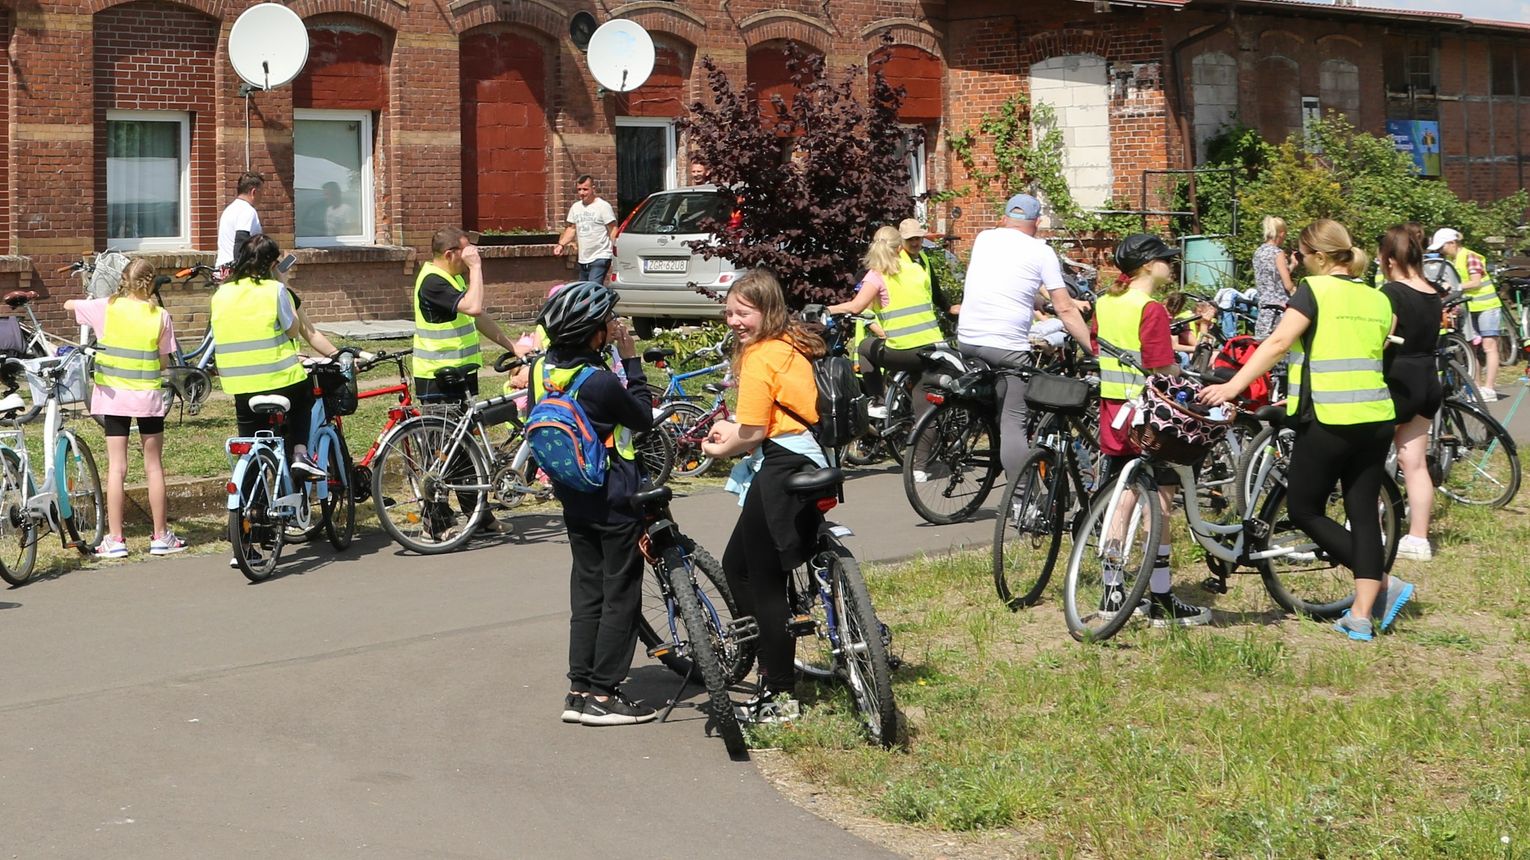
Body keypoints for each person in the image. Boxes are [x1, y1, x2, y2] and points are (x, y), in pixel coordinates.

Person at [1200, 219, 1414, 642]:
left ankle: (1386, 585)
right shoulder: (1378, 298)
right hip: (1376, 418)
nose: (1296, 263)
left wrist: (1232, 386)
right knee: (1362, 513)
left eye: (1300, 255)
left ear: (1318, 256)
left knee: (1304, 510)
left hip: (1331, 420)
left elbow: (1278, 343)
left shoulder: (1313, 292)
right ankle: (1360, 616)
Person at [701, 269, 829, 724]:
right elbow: (769, 418)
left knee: (760, 578)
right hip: (806, 455)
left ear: (768, 311)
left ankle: (779, 691)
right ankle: (778, 646)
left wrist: (717, 446)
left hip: (781, 464)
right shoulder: (789, 343)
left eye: (744, 312)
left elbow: (753, 434)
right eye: (729, 311)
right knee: (737, 565)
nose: (734, 320)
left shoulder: (759, 356)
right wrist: (735, 430)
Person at [533, 282, 658, 727]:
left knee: (587, 593)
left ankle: (578, 688)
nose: (613, 327)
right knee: (620, 594)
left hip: (573, 497)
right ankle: (604, 696)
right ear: (594, 335)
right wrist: (632, 362)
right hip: (615, 499)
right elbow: (642, 417)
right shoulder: (601, 381)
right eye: (608, 323)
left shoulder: (540, 372)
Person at [1093, 234, 1211, 626]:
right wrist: (1187, 377)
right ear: (1146, 266)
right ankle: (1160, 595)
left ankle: (1111, 588)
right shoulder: (1152, 309)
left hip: (1113, 410)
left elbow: (1098, 348)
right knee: (1160, 499)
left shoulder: (1105, 302)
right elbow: (1163, 367)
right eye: (1164, 259)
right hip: (1150, 415)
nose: (1170, 264)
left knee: (1120, 497)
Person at [955, 193, 1093, 476]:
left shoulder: (983, 239)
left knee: (997, 403)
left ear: (1004, 218)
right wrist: (1091, 347)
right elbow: (1065, 309)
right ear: (1038, 222)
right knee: (1014, 421)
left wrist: (1037, 302)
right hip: (1005, 347)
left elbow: (1003, 284)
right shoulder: (1041, 251)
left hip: (967, 339)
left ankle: (988, 437)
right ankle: (1021, 501)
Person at [66, 260, 185, 559]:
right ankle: (161, 536)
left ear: (123, 280)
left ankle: (116, 539)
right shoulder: (160, 316)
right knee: (153, 466)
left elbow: (70, 305)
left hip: (114, 398)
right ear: (152, 283)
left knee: (116, 468)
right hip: (147, 399)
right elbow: (163, 363)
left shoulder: (106, 307)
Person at [212, 234, 340, 481]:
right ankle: (300, 454)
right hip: (279, 379)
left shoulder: (221, 294)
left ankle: (247, 502)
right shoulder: (274, 290)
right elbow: (293, 330)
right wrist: (281, 283)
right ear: (272, 264)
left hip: (239, 384)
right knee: (305, 399)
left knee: (250, 442)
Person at [827, 225, 945, 417]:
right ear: (900, 248)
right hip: (931, 347)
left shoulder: (876, 275)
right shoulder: (918, 268)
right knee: (924, 414)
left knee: (865, 347)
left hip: (903, 350)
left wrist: (826, 310)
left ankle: (877, 401)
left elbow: (857, 307)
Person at [1379, 224, 1442, 562]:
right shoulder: (1433, 292)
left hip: (1397, 380)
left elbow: (1383, 338)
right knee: (1414, 463)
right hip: (1428, 379)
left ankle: (1367, 523)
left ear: (1389, 259)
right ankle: (1418, 538)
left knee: (1370, 457)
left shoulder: (1391, 293)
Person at [412, 227, 521, 401]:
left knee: (470, 426)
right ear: (449, 255)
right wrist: (476, 267)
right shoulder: (432, 282)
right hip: (438, 376)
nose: (468, 259)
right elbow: (474, 308)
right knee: (447, 429)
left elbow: (477, 317)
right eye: (465, 254)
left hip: (460, 370)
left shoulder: (454, 278)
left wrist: (513, 347)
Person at [1429, 227, 1502, 400]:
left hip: (1487, 306)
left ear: (1452, 243)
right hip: (1468, 308)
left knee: (1489, 346)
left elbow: (1475, 282)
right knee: (1471, 347)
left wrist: (1456, 287)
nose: (1441, 251)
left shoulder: (1470, 256)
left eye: (1442, 247)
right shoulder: (1451, 260)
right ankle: (1476, 388)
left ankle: (1489, 388)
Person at [553, 175, 618, 284]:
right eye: (579, 189)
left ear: (593, 188)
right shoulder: (576, 207)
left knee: (593, 287)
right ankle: (605, 300)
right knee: (584, 290)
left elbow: (613, 230)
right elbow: (572, 229)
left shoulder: (603, 206)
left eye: (585, 189)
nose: (582, 193)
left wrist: (617, 251)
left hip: (601, 255)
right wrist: (561, 245)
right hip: (583, 258)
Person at [1253, 216, 1297, 339]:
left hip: (1264, 307)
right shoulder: (1277, 253)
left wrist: (1292, 265)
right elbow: (1287, 285)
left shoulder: (1258, 252)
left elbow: (1272, 276)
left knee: (1263, 344)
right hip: (1278, 309)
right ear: (1281, 234)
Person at [216, 172, 263, 273]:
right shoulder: (247, 210)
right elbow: (241, 240)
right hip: (234, 272)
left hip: (222, 269)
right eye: (261, 192)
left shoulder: (229, 209)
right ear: (254, 192)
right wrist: (239, 271)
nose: (262, 196)